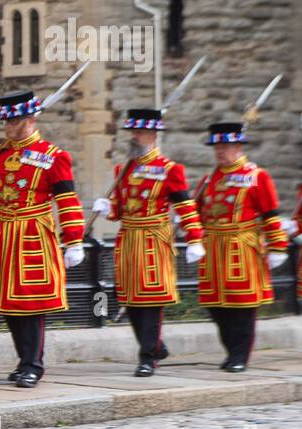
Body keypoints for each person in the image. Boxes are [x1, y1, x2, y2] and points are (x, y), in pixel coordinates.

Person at [0, 90, 85, 387]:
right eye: (5, 122)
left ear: (31, 119)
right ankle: (23, 360)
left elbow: (67, 200)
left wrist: (73, 238)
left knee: (32, 304)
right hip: (3, 234)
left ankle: (33, 364)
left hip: (34, 233)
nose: (8, 127)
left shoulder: (53, 156)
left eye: (14, 121)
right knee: (9, 305)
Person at [92, 108, 204, 376]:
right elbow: (120, 209)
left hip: (154, 239)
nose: (134, 136)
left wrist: (194, 237)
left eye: (140, 132)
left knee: (151, 299)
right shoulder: (124, 169)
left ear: (153, 135)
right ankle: (155, 345)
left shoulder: (169, 170)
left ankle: (147, 357)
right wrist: (107, 207)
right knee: (129, 300)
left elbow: (185, 206)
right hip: (128, 239)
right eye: (133, 132)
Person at [194, 121, 290, 371]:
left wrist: (278, 244)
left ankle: (239, 355)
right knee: (215, 305)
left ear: (238, 146)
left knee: (243, 305)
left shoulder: (256, 176)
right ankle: (230, 350)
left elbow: (270, 213)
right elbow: (196, 210)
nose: (220, 151)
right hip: (213, 247)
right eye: (216, 146)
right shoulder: (208, 179)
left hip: (242, 246)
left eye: (225, 146)